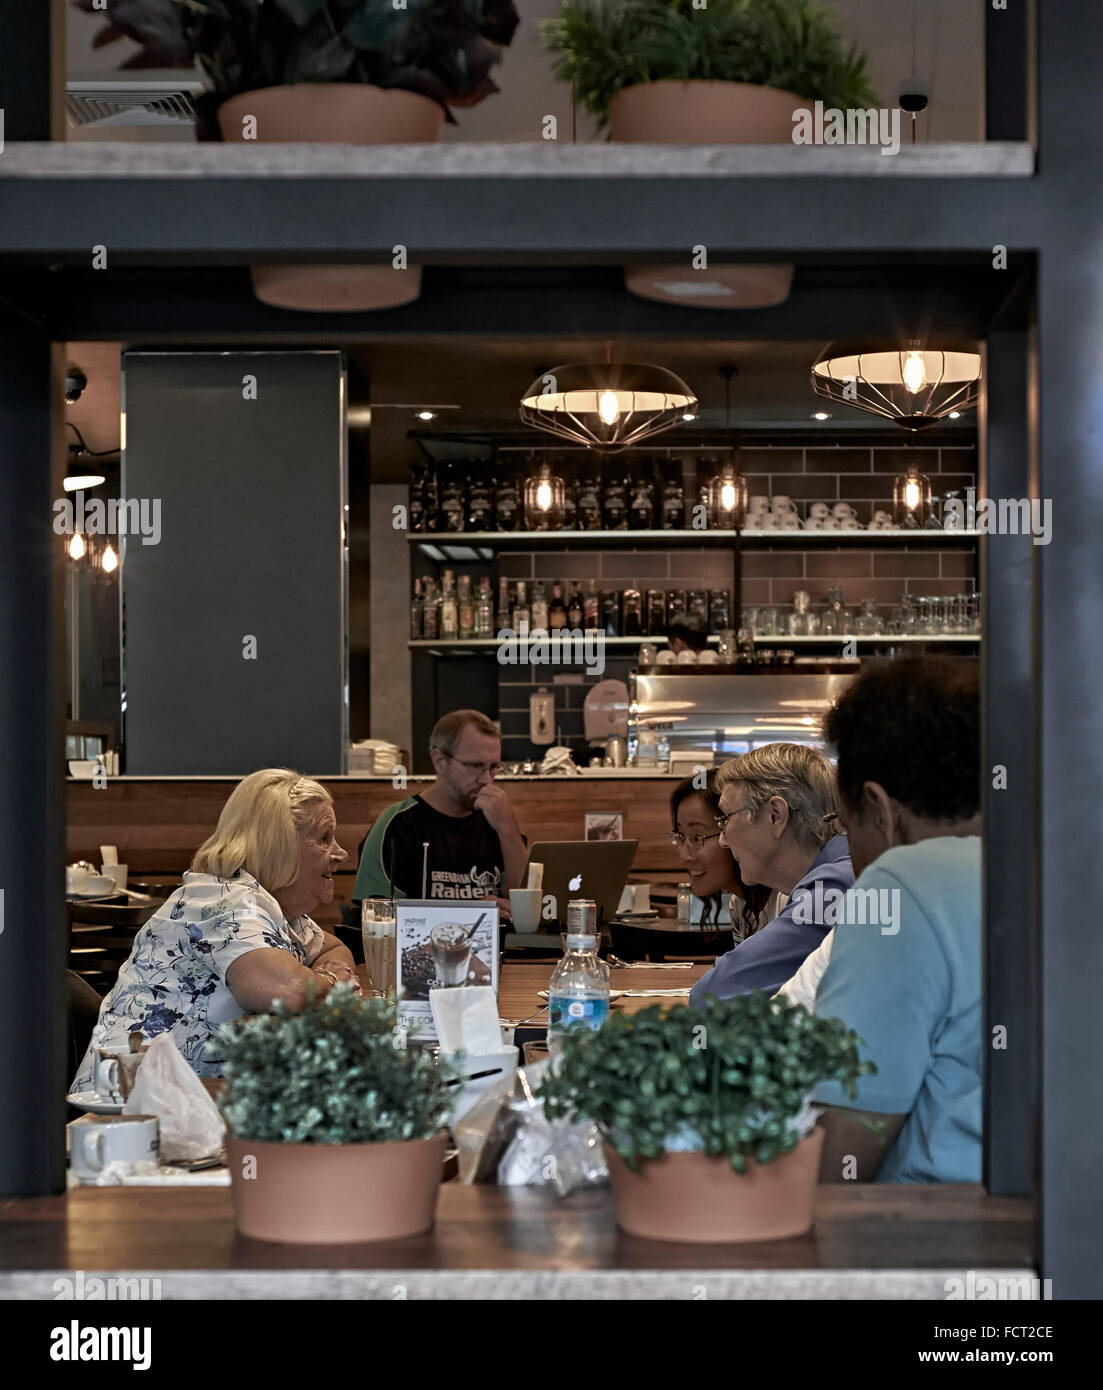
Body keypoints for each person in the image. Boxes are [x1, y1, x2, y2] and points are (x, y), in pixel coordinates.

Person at [72, 769, 358, 1088]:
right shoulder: (223, 900)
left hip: (191, 1100)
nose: (341, 853)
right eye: (324, 838)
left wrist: (321, 980)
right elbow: (288, 992)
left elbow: (334, 948)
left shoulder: (277, 910)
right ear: (280, 845)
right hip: (129, 1109)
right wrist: (333, 980)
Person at [811, 655, 982, 1184]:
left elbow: (843, 1151)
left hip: (932, 1239)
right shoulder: (1054, 865)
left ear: (878, 807)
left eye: (845, 827)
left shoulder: (902, 883)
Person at [689, 743, 852, 1005]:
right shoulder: (842, 871)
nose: (722, 840)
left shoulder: (838, 884)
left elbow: (711, 996)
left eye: (725, 819)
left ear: (776, 815)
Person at [353, 709, 526, 903]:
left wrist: (508, 829)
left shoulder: (497, 819)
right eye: (475, 766)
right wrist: (468, 914)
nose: (487, 779)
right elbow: (376, 916)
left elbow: (523, 907)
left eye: (493, 767)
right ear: (440, 761)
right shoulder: (398, 824)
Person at [669, 774, 774, 936]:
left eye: (697, 837)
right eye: (681, 836)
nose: (685, 856)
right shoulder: (739, 904)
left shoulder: (785, 901)